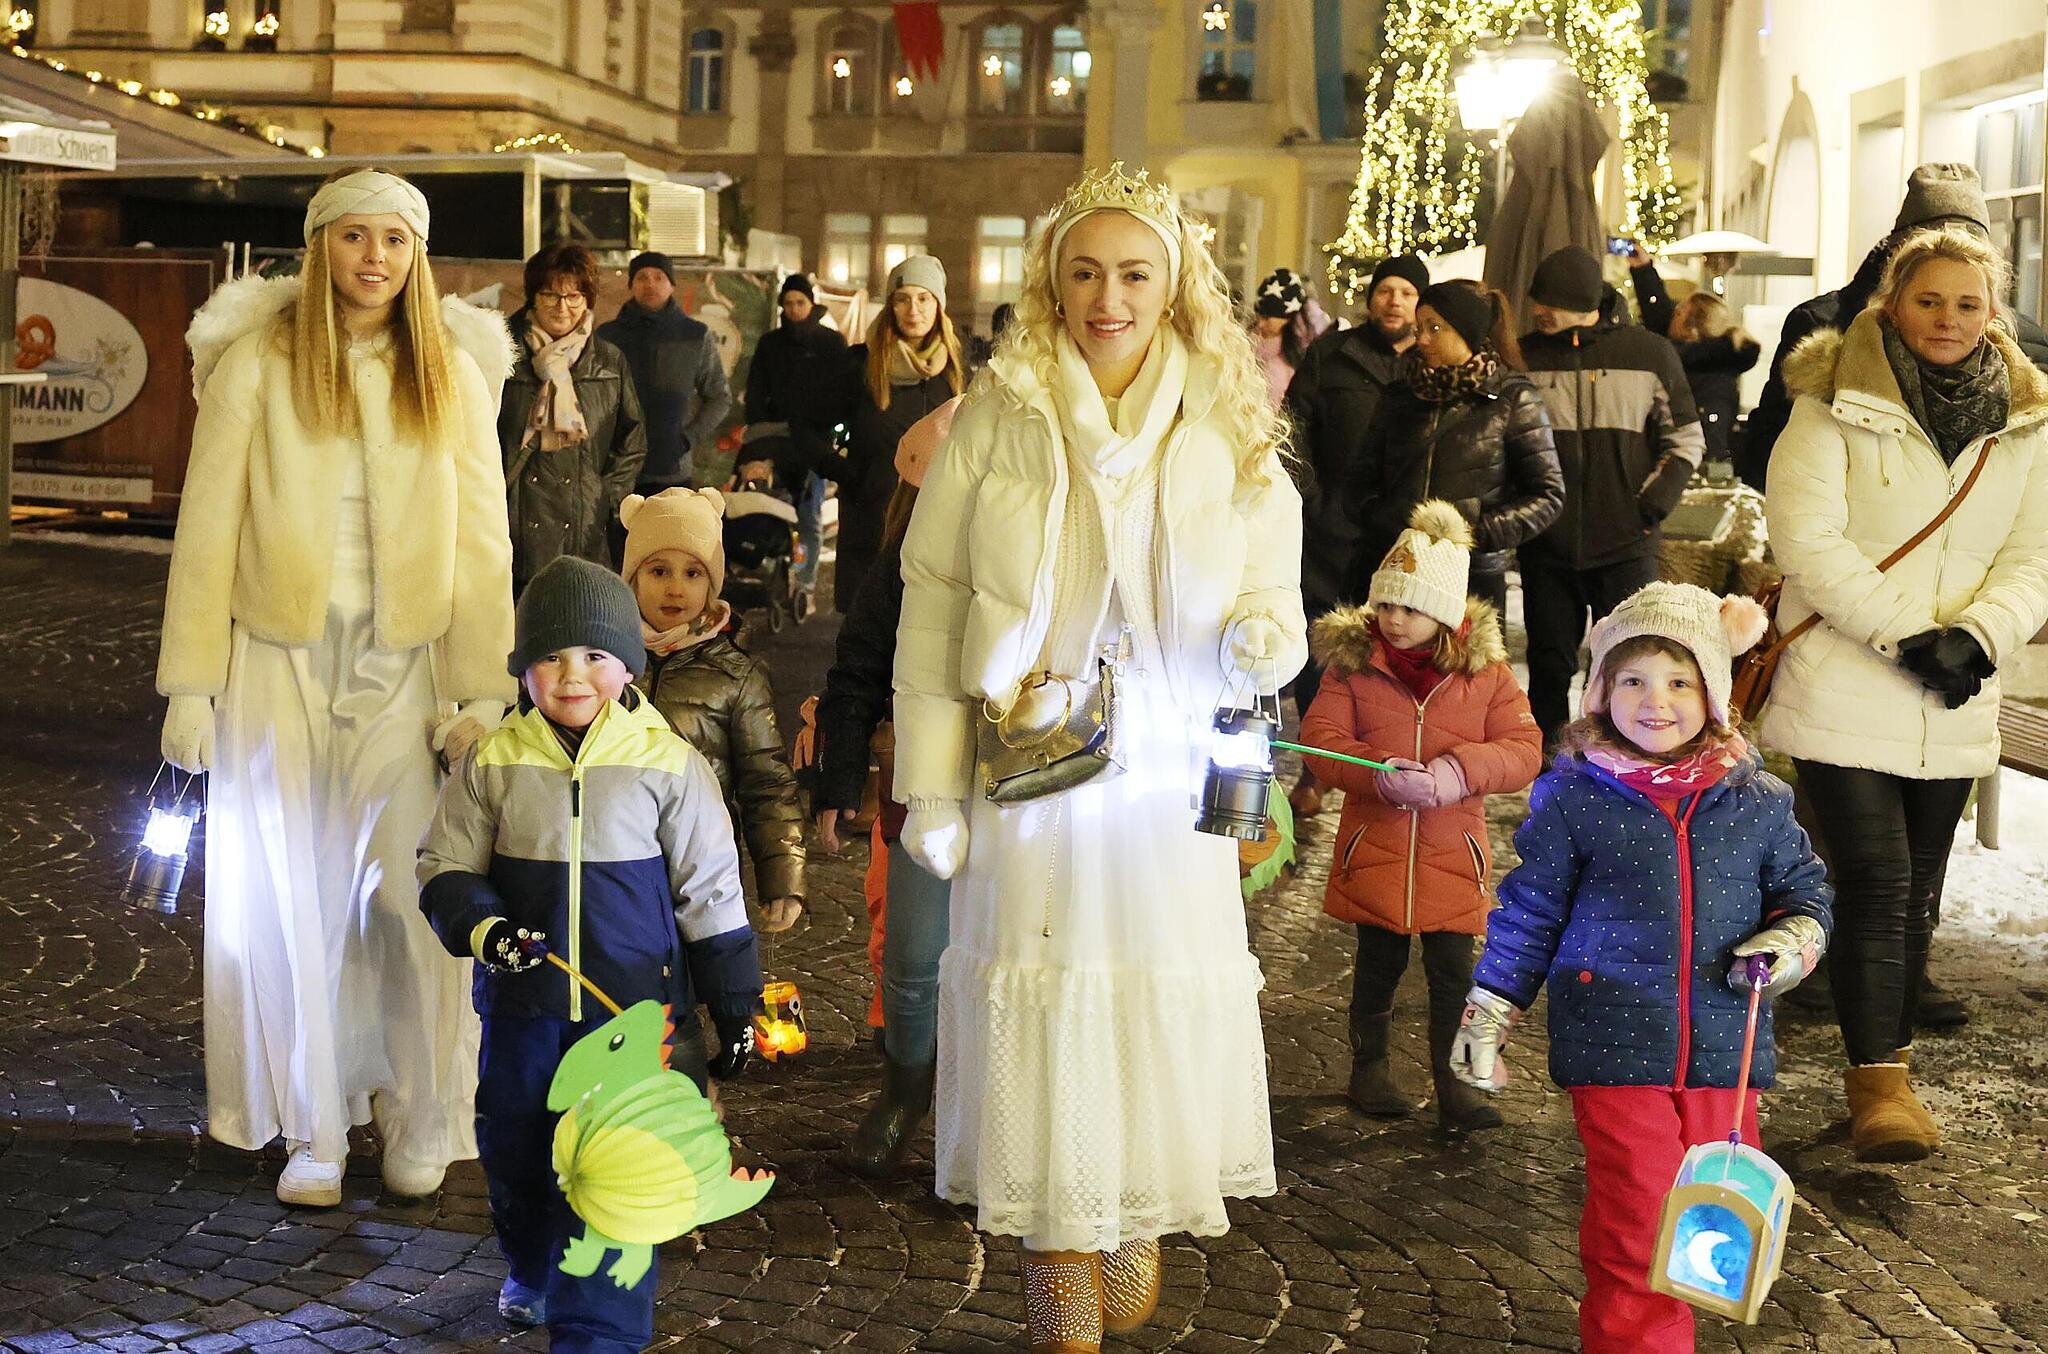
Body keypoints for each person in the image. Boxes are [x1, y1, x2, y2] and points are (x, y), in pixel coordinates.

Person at [891, 163, 1307, 1353]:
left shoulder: (1228, 422)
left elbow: (1272, 587)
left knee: (1147, 988)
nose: (1106, 296)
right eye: (1083, 271)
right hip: (1035, 761)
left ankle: (1129, 1207)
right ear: (1051, 282)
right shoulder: (996, 413)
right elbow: (934, 595)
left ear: (1171, 284)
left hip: (1174, 766)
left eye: (1131, 273)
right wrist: (930, 779)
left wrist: (1260, 641)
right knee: (1042, 985)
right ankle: (1057, 1251)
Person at [158, 168, 517, 1207]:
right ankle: (316, 1120)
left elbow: (483, 546)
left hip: (405, 666)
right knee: (294, 897)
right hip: (277, 657)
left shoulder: (449, 371)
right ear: (322, 249)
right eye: (354, 237)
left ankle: (420, 1105)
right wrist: (192, 683)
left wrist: (479, 692)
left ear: (418, 257)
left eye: (394, 241)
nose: (374, 258)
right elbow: (207, 528)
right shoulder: (257, 365)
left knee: (412, 899)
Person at [1451, 582, 1832, 1354]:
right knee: (1641, 1217)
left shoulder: (1758, 801)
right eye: (1632, 680)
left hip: (1727, 1052)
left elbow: (1807, 896)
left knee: (1712, 1225)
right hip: (1614, 1047)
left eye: (1679, 681)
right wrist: (1489, 1010)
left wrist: (1792, 940)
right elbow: (1529, 913)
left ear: (1714, 693)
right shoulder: (1575, 798)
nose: (1655, 701)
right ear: (1600, 691)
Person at [417, 555, 762, 1349]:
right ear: (523, 668)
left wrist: (733, 1002)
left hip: (634, 1020)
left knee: (617, 1170)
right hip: (524, 1015)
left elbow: (710, 889)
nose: (573, 675)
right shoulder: (493, 763)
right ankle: (532, 1264)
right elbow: (444, 866)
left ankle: (599, 1332)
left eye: (595, 656)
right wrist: (485, 928)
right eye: (551, 656)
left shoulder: (669, 763)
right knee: (518, 1151)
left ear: (629, 664)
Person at [1761, 225, 2048, 1161]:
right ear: (1893, 300)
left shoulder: (2027, 422)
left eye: (1968, 303)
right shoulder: (1829, 404)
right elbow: (1808, 540)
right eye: (1931, 300)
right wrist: (1908, 633)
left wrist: (1977, 635)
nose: (1949, 319)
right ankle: (1881, 1087)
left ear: (1993, 312)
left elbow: (2034, 557)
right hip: (1845, 683)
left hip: (1955, 693)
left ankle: (1885, 1075)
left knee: (1919, 890)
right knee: (1880, 881)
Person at [1298, 502, 1541, 1130]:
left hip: (1451, 854)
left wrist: (1457, 772)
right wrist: (1378, 769)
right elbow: (1322, 741)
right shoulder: (1353, 667)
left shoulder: (1486, 675)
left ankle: (1459, 1084)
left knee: (1455, 975)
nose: (1394, 619)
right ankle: (1368, 1068)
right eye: (1386, 605)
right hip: (1374, 846)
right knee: (1377, 966)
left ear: (1446, 613)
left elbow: (1523, 749)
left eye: (1410, 607)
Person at [812, 396, 960, 1177]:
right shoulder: (899, 567)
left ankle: (989, 1101)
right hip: (920, 787)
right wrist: (838, 783)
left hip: (1019, 789)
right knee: (913, 955)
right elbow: (857, 669)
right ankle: (904, 1090)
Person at [1741, 162, 2048, 492]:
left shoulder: (2027, 345)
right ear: (1900, 254)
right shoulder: (1825, 329)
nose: (1947, 320)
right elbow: (1773, 456)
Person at [1518, 244, 1706, 748]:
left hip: (1626, 541)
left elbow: (1686, 439)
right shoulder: (1525, 356)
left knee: (1628, 662)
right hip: (1547, 545)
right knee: (1548, 664)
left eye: (1549, 301)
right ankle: (1551, 764)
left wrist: (1648, 506)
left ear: (1582, 302)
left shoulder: (1648, 353)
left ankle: (1619, 757)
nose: (1539, 310)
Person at [1283, 252, 1430, 817]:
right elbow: (1291, 433)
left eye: (1407, 293)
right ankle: (1316, 771)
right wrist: (1315, 502)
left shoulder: (1430, 362)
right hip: (1332, 532)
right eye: (1386, 290)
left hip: (1404, 539)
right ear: (1371, 298)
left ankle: (1391, 772)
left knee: (1398, 656)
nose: (1394, 301)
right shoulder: (1331, 357)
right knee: (1324, 653)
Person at [621, 487, 806, 935]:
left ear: (712, 583)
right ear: (631, 579)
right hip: (615, 866)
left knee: (693, 990)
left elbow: (767, 783)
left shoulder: (736, 675)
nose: (675, 587)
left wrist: (782, 877)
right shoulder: (605, 662)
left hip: (701, 867)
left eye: (692, 573)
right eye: (658, 570)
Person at [1342, 279, 1563, 614]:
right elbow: (1360, 479)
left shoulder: (1513, 399)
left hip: (1470, 580)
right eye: (1420, 328)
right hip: (1393, 569)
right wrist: (1384, 520)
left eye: (1435, 327)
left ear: (1468, 332)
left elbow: (1547, 494)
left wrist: (1472, 535)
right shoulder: (1400, 396)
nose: (1423, 339)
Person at [818, 255, 964, 614]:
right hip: (871, 523)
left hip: (935, 524)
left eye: (924, 298)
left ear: (938, 304)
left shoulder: (956, 371)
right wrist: (853, 479)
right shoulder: (860, 365)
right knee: (867, 636)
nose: (913, 310)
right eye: (902, 299)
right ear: (890, 306)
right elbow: (810, 429)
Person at [500, 239, 647, 592]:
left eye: (574, 297)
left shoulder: (608, 362)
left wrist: (605, 496)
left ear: (587, 300)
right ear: (533, 296)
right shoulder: (501, 353)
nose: (562, 308)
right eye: (550, 295)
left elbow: (632, 439)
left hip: (584, 531)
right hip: (511, 529)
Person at [743, 273, 845, 607]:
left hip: (812, 442)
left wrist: (830, 433)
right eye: (788, 303)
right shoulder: (771, 344)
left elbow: (841, 392)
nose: (794, 309)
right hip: (774, 439)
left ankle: (804, 581)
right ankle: (774, 572)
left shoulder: (830, 343)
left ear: (811, 303)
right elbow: (756, 388)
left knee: (808, 515)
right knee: (769, 507)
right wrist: (759, 429)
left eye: (800, 302)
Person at [597, 250, 730, 497]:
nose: (650, 284)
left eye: (659, 277)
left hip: (672, 470)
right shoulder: (608, 336)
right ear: (631, 285)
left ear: (671, 285)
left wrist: (687, 439)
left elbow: (719, 397)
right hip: (616, 470)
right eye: (642, 277)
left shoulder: (695, 335)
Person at [1625, 247, 1760, 467]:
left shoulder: (1698, 368)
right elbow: (1660, 315)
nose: (1673, 315)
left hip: (1693, 467)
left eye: (1679, 312)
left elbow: (1709, 440)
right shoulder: (1702, 358)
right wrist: (1643, 269)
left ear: (1692, 329)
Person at [1248, 266, 1332, 408]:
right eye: (1259, 316)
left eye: (1268, 318)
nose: (1260, 324)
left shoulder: (1296, 359)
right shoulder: (1246, 343)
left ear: (1287, 319)